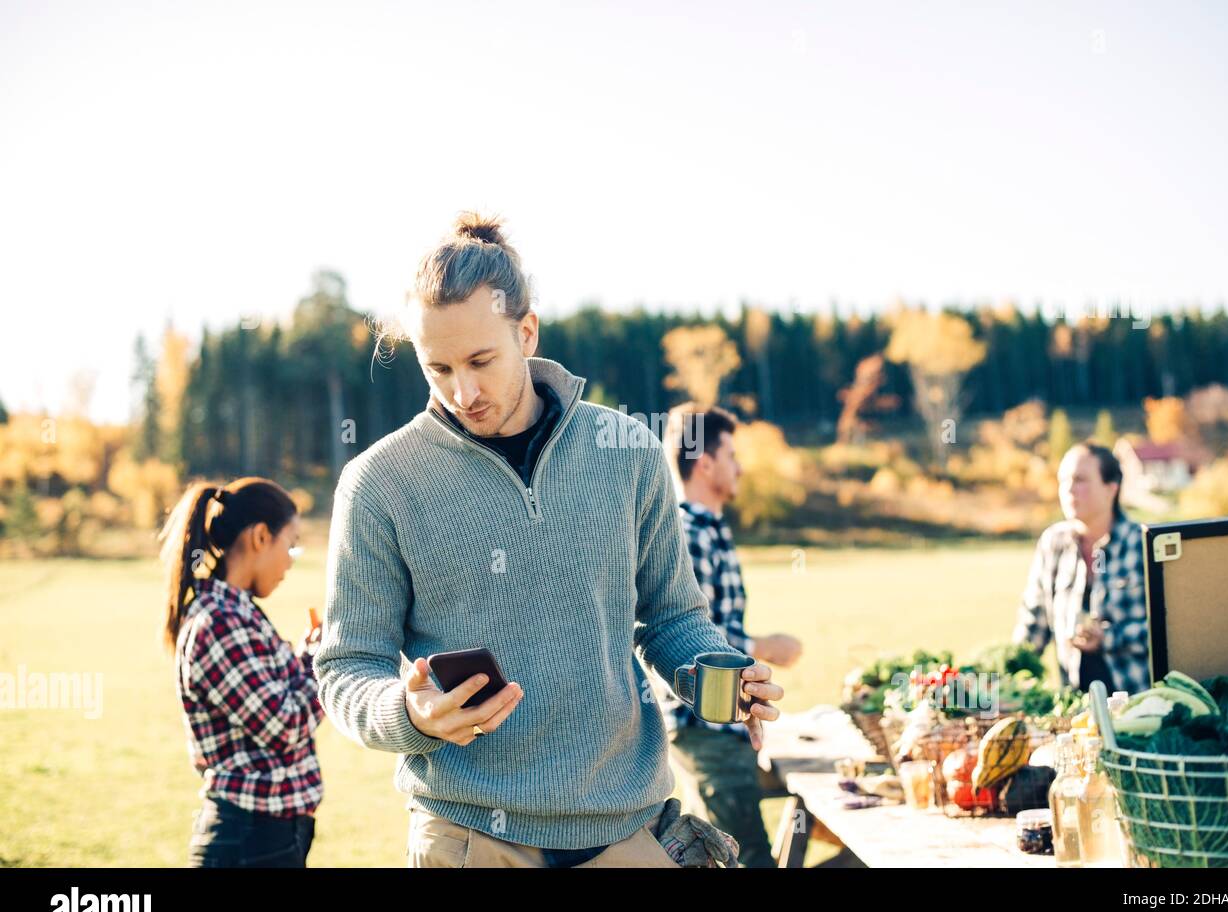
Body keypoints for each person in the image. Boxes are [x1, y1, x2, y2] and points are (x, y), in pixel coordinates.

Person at [314, 211, 784, 868]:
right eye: (438, 367)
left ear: (526, 331)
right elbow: (346, 665)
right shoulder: (378, 483)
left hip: (629, 829)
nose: (464, 391)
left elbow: (673, 617)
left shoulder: (626, 452)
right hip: (471, 838)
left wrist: (717, 674)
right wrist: (407, 713)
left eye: (481, 359)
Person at [658, 403, 803, 868]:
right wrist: (763, 647)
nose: (740, 466)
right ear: (705, 463)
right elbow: (686, 628)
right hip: (707, 728)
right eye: (731, 455)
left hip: (721, 726)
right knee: (748, 858)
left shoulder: (710, 530)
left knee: (721, 856)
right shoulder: (689, 535)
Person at [158, 477, 324, 868]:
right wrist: (326, 665)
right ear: (261, 537)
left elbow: (277, 695)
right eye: (291, 543)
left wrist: (307, 656)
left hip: (267, 837)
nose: (291, 560)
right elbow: (284, 725)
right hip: (248, 842)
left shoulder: (239, 614)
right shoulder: (218, 623)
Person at [1012, 442, 1151, 696]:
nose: (1068, 489)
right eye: (1063, 480)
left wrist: (1109, 638)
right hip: (1077, 713)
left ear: (1111, 488)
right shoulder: (1053, 543)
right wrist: (1005, 673)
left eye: (1080, 480)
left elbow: (1165, 631)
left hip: (1138, 706)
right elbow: (1033, 626)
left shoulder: (1143, 543)